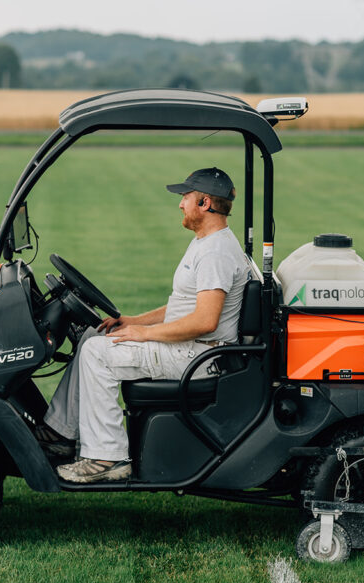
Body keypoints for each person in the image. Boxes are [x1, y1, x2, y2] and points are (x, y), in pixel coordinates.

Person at [37, 167, 252, 483]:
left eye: (185, 197)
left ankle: (106, 458)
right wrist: (131, 322)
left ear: (205, 203)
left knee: (98, 353)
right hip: (189, 347)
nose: (180, 204)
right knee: (95, 336)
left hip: (196, 357)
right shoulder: (206, 242)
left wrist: (145, 334)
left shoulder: (216, 253)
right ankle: (60, 432)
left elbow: (205, 321)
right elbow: (184, 305)